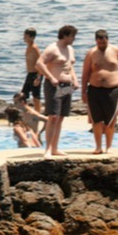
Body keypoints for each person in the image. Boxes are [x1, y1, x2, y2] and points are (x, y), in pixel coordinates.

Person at [81, 29, 118, 155]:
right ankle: (98, 147)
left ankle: (109, 147)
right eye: (99, 43)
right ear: (96, 41)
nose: (102, 45)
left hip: (111, 90)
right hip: (94, 89)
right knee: (96, 120)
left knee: (111, 120)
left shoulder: (116, 51)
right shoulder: (91, 53)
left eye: (104, 42)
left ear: (107, 39)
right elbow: (85, 73)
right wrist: (83, 91)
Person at [36, 25, 79, 156]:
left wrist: (75, 80)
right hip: (54, 85)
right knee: (53, 116)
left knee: (60, 117)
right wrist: (51, 77)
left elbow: (69, 66)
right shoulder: (53, 48)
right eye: (72, 36)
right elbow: (39, 63)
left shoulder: (70, 49)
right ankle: (48, 149)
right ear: (65, 35)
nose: (74, 39)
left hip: (67, 86)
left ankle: (55, 147)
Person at [20, 29, 42, 112]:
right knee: (23, 95)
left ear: (32, 37)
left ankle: (38, 114)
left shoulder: (34, 48)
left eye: (25, 36)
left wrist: (39, 77)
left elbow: (41, 62)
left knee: (36, 96)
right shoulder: (29, 47)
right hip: (30, 74)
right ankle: (27, 113)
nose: (24, 38)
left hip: (35, 74)